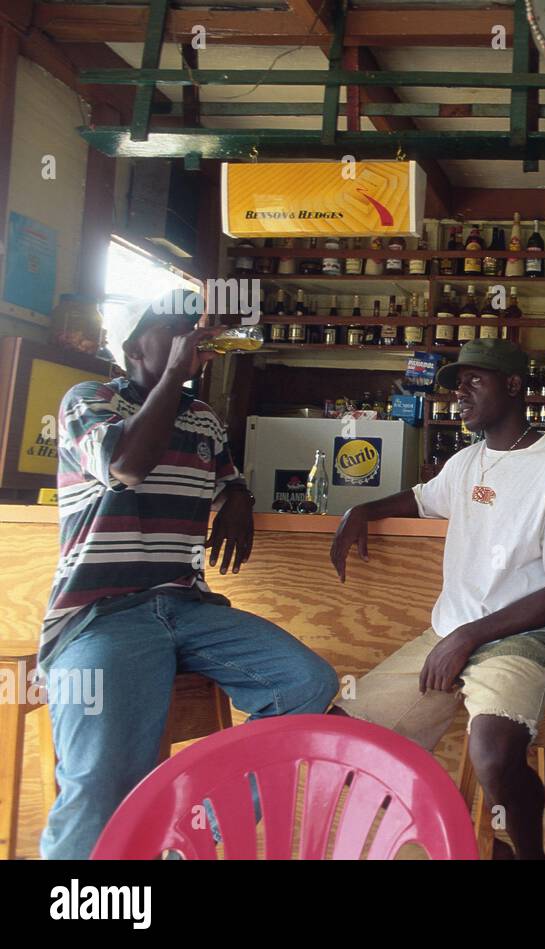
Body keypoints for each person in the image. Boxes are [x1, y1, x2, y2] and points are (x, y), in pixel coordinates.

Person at [40, 291, 338, 859]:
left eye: (190, 329)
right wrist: (174, 374)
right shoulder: (90, 401)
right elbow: (126, 465)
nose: (188, 337)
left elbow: (227, 476)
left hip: (187, 607)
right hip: (100, 614)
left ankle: (189, 834)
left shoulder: (202, 417)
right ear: (132, 347)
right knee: (99, 781)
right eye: (171, 329)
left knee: (307, 683)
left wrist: (241, 496)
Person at [330, 338, 545, 860]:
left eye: (473, 381)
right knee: (344, 744)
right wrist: (362, 509)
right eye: (457, 383)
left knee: (493, 756)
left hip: (528, 637)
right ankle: (471, 845)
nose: (460, 392)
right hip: (451, 634)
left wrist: (468, 637)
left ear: (515, 386)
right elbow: (418, 498)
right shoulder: (465, 461)